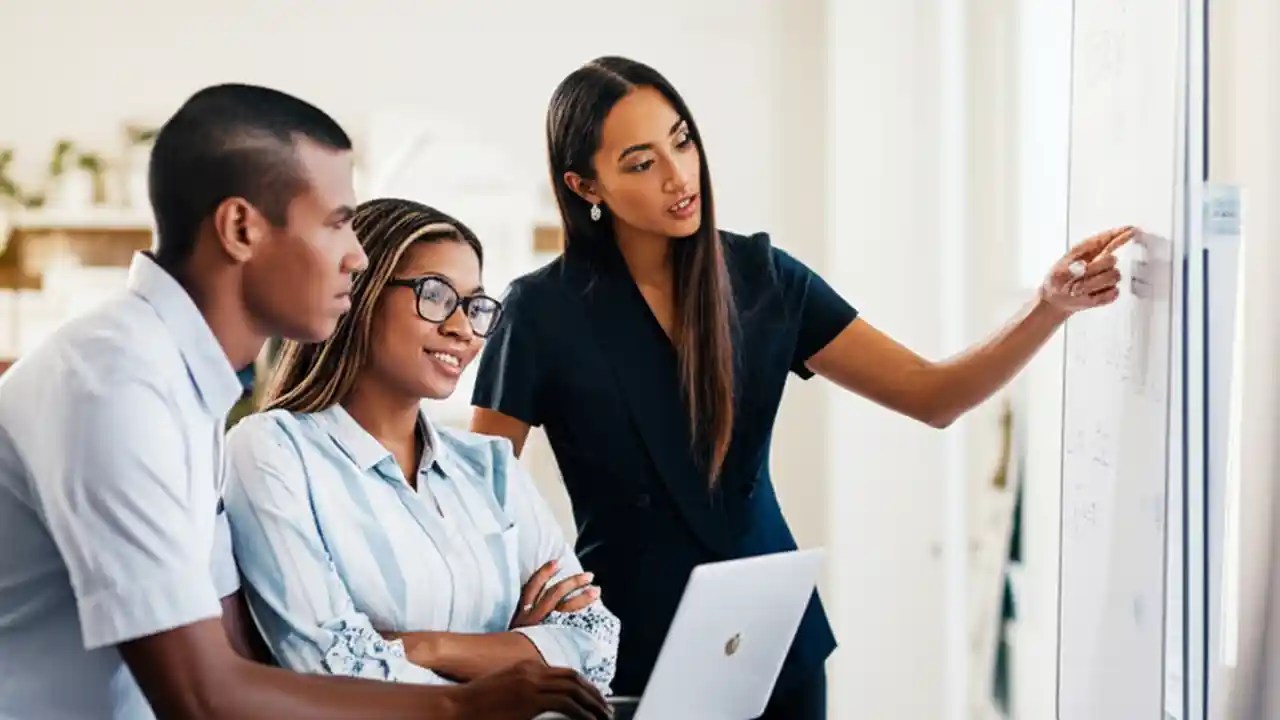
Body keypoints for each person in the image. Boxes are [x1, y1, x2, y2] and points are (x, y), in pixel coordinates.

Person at [469, 55, 1134, 719]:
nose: (679, 176)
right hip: (631, 647)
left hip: (773, 639)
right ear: (586, 185)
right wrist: (516, 623)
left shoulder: (764, 278)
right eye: (642, 163)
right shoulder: (539, 312)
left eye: (682, 140)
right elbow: (482, 503)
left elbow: (933, 395)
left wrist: (1048, 306)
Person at [0, 83, 609, 720]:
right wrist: (468, 700)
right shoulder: (118, 386)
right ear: (241, 228)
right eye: (338, 223)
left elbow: (243, 661)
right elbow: (203, 697)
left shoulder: (185, 392)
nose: (357, 257)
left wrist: (449, 655)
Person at [223, 198, 620, 693]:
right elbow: (335, 667)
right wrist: (507, 659)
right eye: (435, 295)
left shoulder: (490, 466)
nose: (462, 328)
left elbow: (594, 647)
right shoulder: (272, 451)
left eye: (474, 306)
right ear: (359, 292)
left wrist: (432, 647)